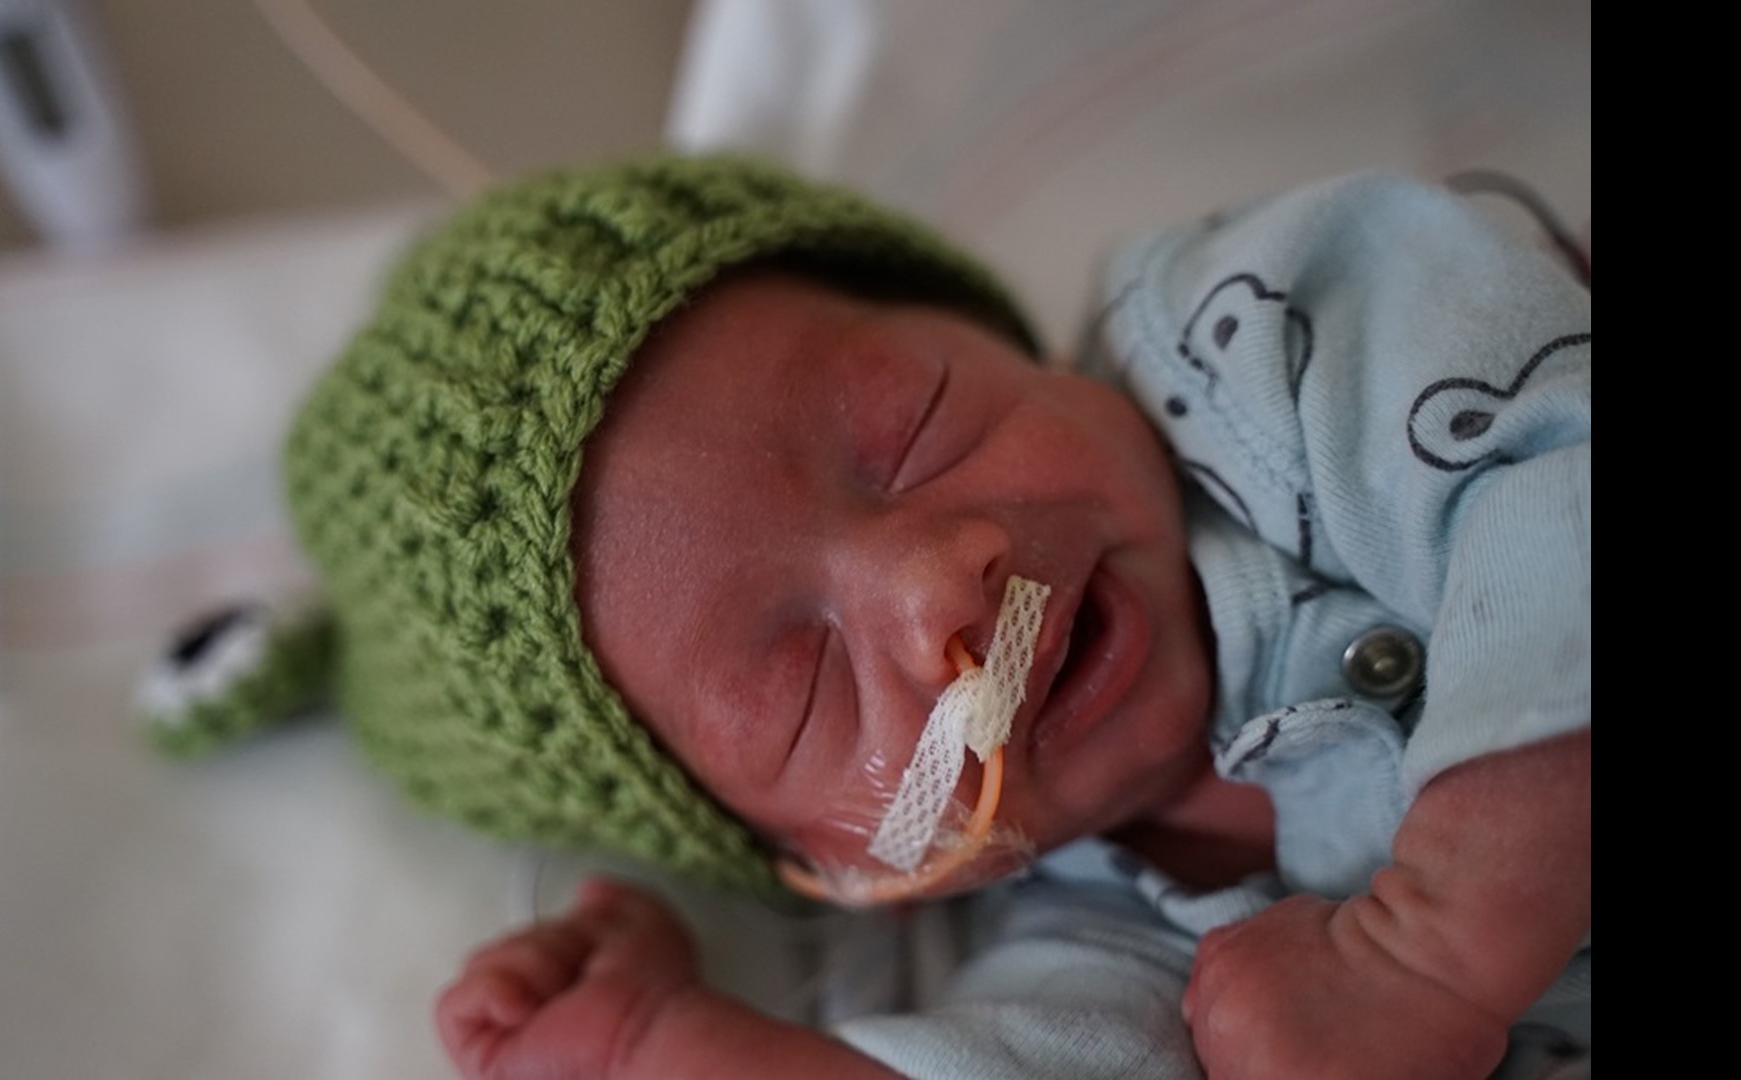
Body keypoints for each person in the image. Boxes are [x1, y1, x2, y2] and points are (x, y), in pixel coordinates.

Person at [274, 156, 1590, 1078]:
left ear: (987, 328)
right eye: (805, 687)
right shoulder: (1102, 946)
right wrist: (653, 1047)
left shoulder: (1256, 350)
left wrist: (1429, 950)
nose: (935, 585)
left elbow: (1561, 478)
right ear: (845, 874)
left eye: (918, 427)